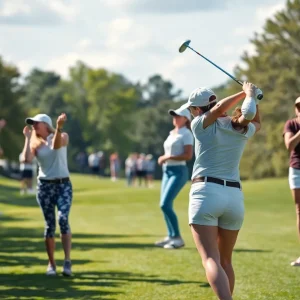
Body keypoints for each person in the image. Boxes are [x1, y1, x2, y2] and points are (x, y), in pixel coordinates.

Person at [181, 82, 261, 300]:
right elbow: (255, 120)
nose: (191, 113)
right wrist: (251, 96)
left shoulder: (198, 125)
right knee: (226, 260)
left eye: (191, 109)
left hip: (206, 192)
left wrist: (245, 93)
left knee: (210, 260)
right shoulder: (240, 128)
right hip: (234, 198)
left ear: (197, 110)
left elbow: (215, 111)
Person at [21, 113, 73, 276]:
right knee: (50, 225)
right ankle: (51, 264)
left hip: (63, 185)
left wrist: (58, 127)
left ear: (46, 124)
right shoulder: (35, 143)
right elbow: (26, 160)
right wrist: (27, 138)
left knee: (63, 219)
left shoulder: (62, 135)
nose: (34, 126)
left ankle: (67, 261)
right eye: (32, 124)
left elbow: (56, 146)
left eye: (36, 123)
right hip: (45, 187)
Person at [155, 106, 193, 249]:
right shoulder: (171, 134)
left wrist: (168, 157)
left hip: (179, 171)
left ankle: (177, 238)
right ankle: (171, 236)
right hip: (167, 171)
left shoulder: (186, 134)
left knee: (165, 204)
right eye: (174, 116)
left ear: (185, 119)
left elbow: (188, 155)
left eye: (178, 116)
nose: (175, 118)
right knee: (165, 206)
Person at [283, 96, 300, 266]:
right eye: (298, 106)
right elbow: (289, 145)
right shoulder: (291, 124)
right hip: (297, 170)